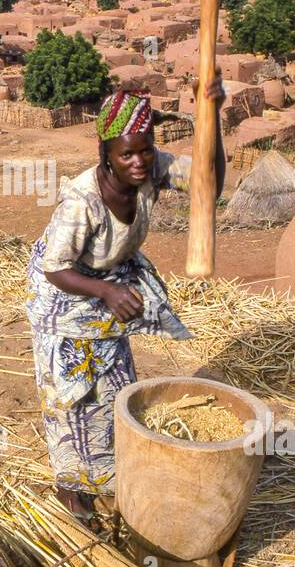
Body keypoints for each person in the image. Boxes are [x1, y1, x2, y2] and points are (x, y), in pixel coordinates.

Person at [26, 81, 226, 520]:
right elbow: (56, 268)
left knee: (115, 384)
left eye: (145, 150)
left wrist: (215, 117)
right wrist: (108, 292)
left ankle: (112, 470)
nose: (138, 163)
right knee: (73, 394)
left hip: (106, 278)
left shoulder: (153, 169)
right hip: (65, 291)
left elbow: (209, 184)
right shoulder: (81, 202)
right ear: (106, 154)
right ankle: (71, 486)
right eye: (126, 154)